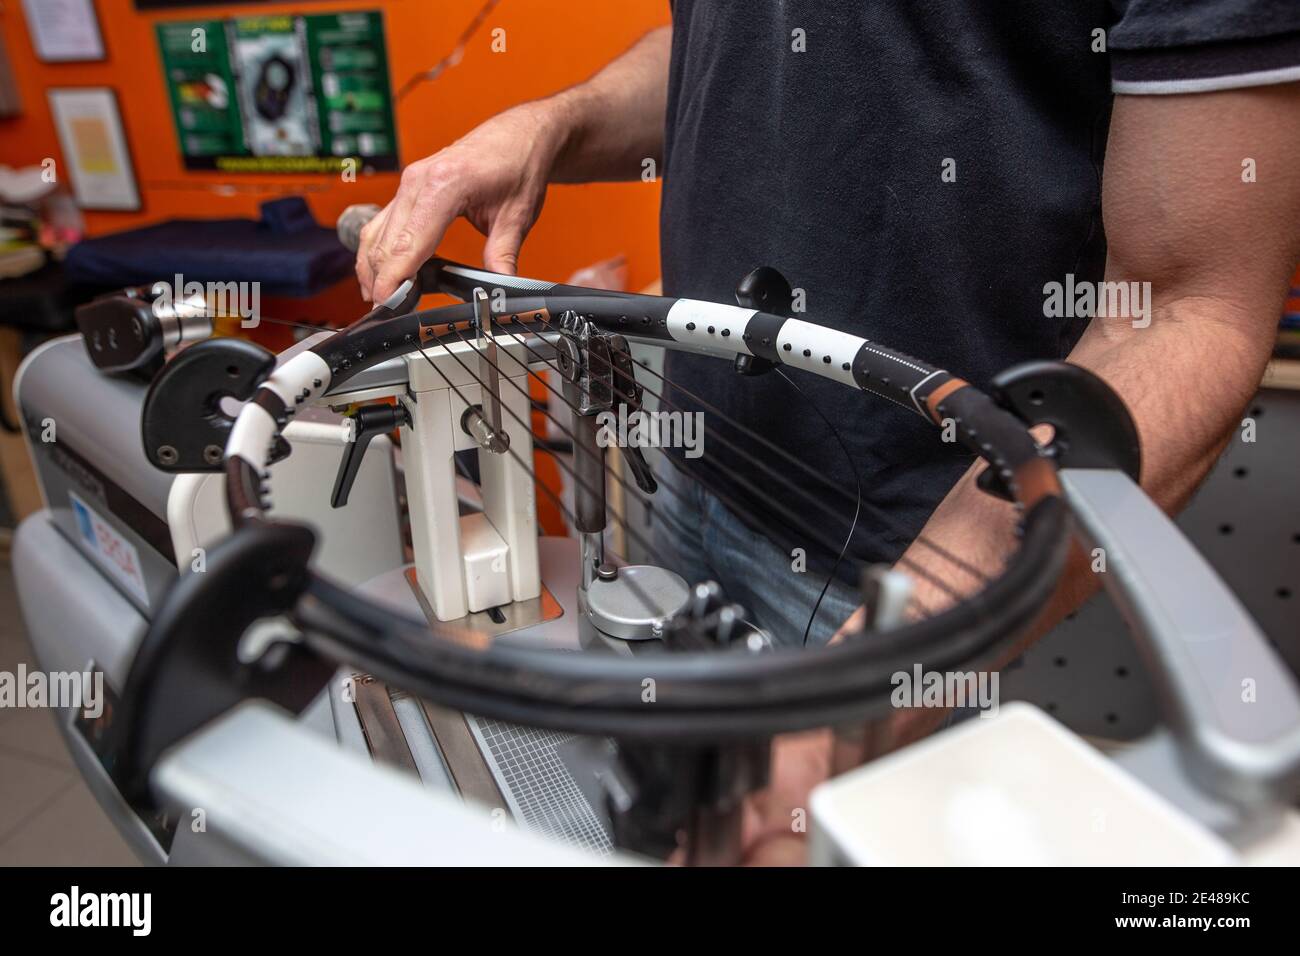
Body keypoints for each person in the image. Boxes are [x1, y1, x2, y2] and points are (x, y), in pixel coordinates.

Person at [355, 3, 1300, 863]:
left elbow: (1189, 308)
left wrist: (857, 692)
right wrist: (553, 122)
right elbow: (718, 48)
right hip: (684, 484)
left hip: (911, 569)